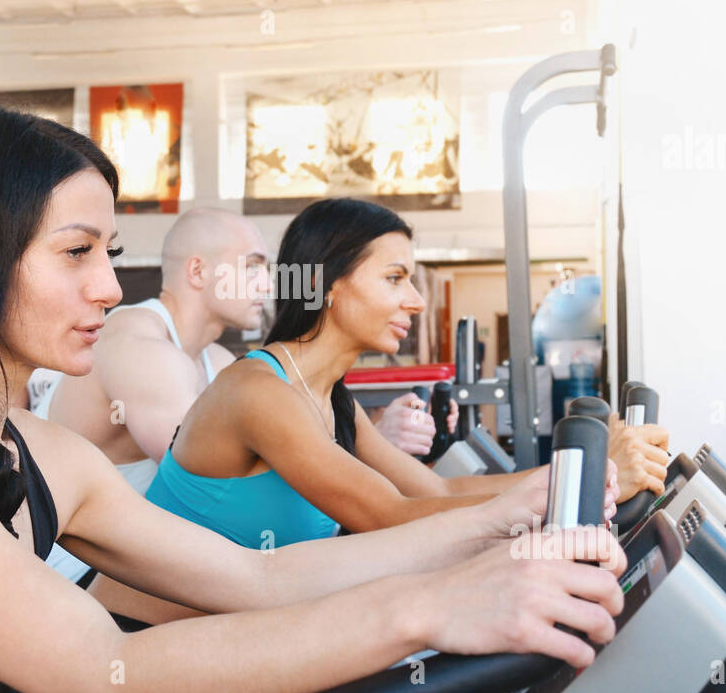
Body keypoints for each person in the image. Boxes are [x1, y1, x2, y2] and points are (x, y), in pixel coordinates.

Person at [0, 105, 625, 693]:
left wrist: (512, 519)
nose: (109, 285)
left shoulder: (45, 452)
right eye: (76, 252)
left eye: (111, 250)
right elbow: (118, 680)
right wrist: (429, 609)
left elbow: (259, 580)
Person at [90, 198, 654, 624]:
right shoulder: (257, 392)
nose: (415, 299)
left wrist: (588, 473)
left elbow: (433, 496)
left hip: (232, 641)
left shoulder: (333, 402)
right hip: (135, 646)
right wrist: (585, 483)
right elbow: (388, 517)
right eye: (395, 279)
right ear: (324, 286)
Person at [35, 207, 461, 583]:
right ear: (199, 273)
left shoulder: (217, 360)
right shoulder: (142, 349)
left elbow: (262, 467)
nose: (269, 282)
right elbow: (200, 484)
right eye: (252, 267)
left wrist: (369, 440)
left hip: (157, 566)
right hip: (77, 579)